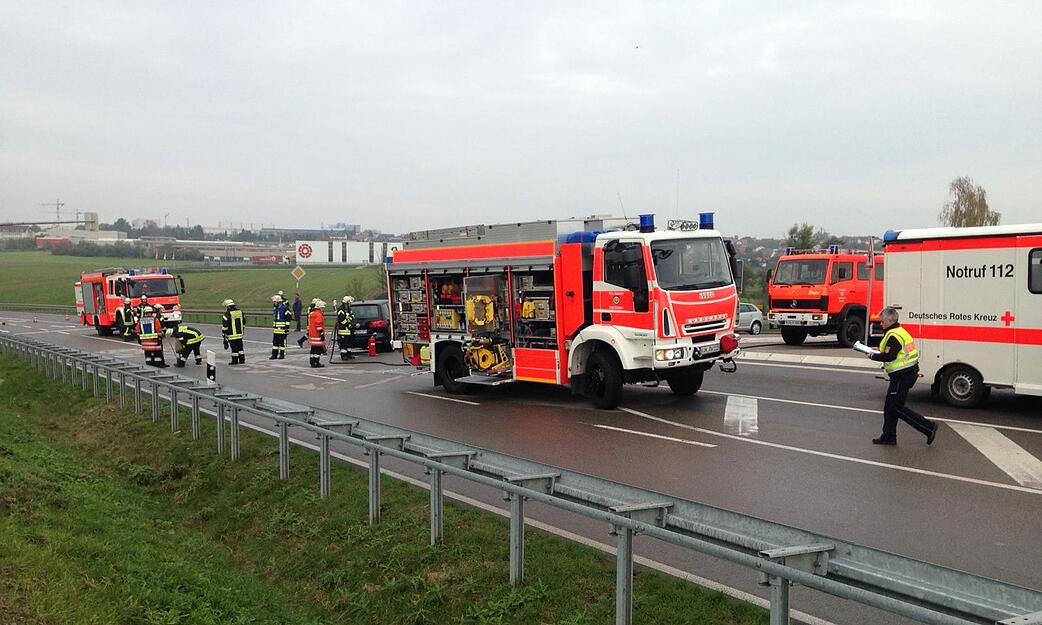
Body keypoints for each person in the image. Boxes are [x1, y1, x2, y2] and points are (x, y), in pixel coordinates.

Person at [864, 306, 938, 445]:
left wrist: (872, 355)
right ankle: (888, 436)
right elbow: (893, 351)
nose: (881, 324)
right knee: (889, 406)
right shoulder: (899, 331)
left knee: (896, 407)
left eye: (882, 321)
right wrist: (878, 349)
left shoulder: (894, 335)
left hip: (902, 375)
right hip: (906, 373)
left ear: (889, 320)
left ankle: (928, 427)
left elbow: (890, 356)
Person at [221, 299, 246, 366]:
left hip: (232, 335)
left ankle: (234, 361)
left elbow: (225, 326)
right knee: (240, 348)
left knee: (234, 349)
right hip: (240, 334)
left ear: (228, 306)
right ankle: (242, 360)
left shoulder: (227, 314)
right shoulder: (240, 312)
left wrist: (224, 333)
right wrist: (242, 330)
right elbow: (244, 322)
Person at [270, 294, 293, 360]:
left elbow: (288, 318)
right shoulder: (276, 309)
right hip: (276, 330)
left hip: (282, 329)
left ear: (279, 302)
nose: (274, 303)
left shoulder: (285, 308)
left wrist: (287, 328)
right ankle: (274, 355)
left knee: (282, 343)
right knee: (275, 343)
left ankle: (282, 355)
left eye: (275, 302)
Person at [307, 298, 327, 368]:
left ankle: (312, 362)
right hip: (317, 335)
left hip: (312, 334)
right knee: (318, 350)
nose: (323, 309)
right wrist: (321, 333)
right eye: (322, 307)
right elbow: (318, 325)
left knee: (313, 349)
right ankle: (316, 362)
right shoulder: (318, 314)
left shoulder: (312, 313)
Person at [335, 295, 355, 360]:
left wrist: (349, 321)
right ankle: (343, 355)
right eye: (349, 303)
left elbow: (352, 316)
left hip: (349, 330)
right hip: (343, 330)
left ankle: (349, 354)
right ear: (346, 303)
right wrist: (348, 324)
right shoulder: (341, 309)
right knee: (344, 344)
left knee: (349, 343)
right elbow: (341, 320)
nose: (350, 304)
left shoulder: (348, 309)